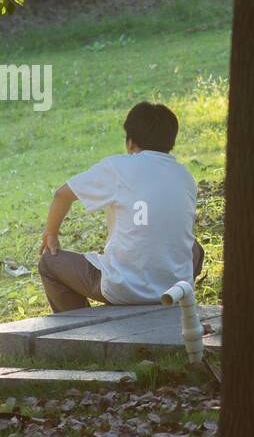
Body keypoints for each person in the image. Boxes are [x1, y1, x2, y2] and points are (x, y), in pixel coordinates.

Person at [37, 101, 203, 312]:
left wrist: (51, 233)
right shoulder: (185, 176)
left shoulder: (118, 166)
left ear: (131, 143)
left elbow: (62, 195)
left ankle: (79, 327)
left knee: (49, 263)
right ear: (170, 142)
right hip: (174, 290)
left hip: (123, 287)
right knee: (195, 248)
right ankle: (169, 303)